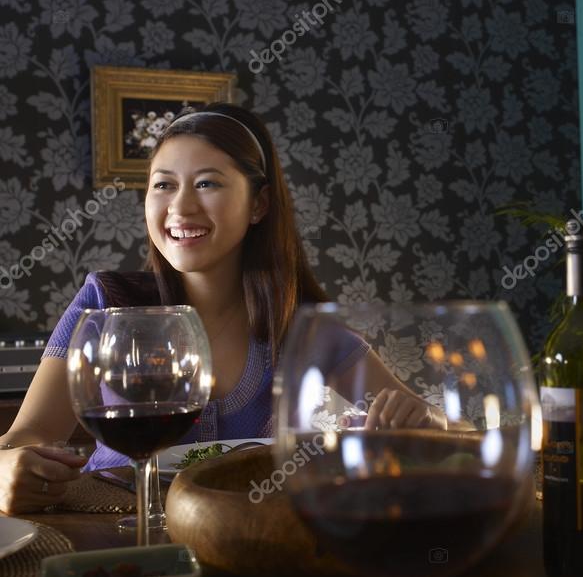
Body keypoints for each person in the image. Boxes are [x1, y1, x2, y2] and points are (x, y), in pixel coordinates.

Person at [0, 103, 440, 514]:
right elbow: (26, 436)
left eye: (207, 183)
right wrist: (8, 469)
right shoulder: (104, 302)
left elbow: (440, 428)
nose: (181, 207)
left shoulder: (302, 326)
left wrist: (422, 423)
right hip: (113, 530)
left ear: (259, 205)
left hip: (246, 540)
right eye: (163, 184)